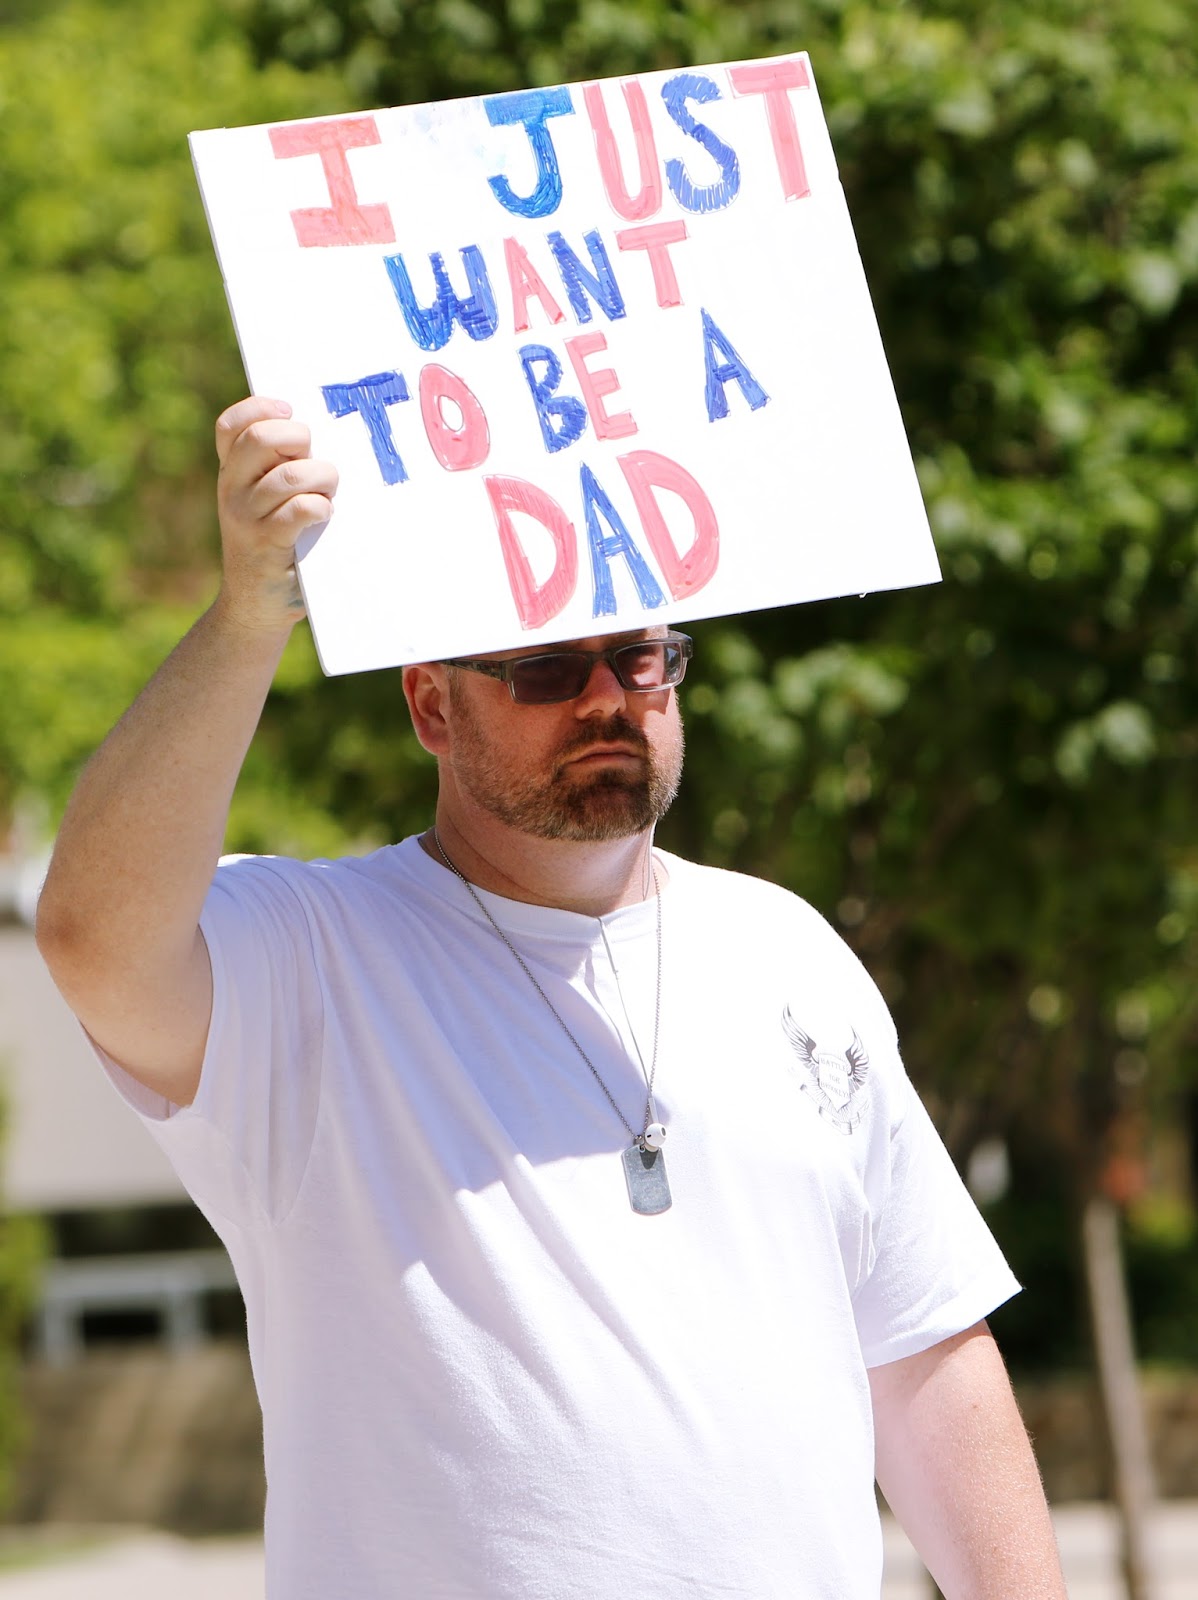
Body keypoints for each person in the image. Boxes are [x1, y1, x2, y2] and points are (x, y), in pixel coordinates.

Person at [37, 396, 1067, 1600]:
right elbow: (92, 939)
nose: (605, 697)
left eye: (639, 656)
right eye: (542, 666)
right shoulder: (310, 957)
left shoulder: (788, 949)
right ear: (429, 703)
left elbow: (924, 1350)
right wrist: (251, 612)